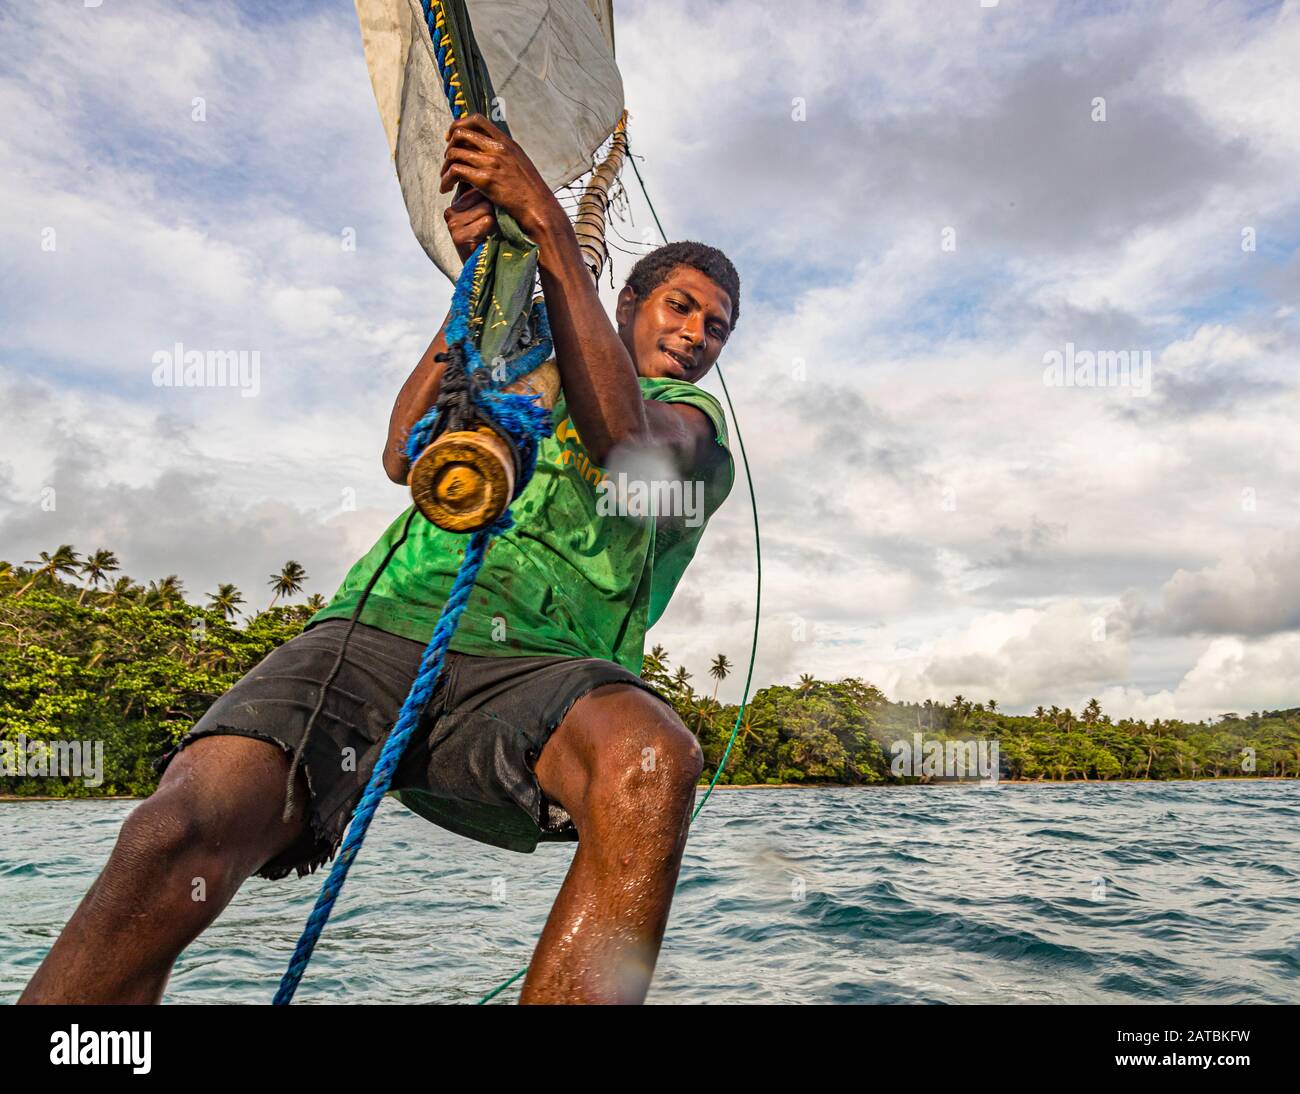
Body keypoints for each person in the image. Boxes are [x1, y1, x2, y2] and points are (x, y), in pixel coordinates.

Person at [20, 114, 740, 1005]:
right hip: (383, 623)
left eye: (718, 327)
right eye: (682, 306)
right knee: (172, 832)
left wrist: (548, 229)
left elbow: (625, 437)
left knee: (652, 759)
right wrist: (489, 284)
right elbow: (406, 448)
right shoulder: (521, 358)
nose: (698, 333)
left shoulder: (695, 433)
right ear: (628, 302)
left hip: (546, 668)